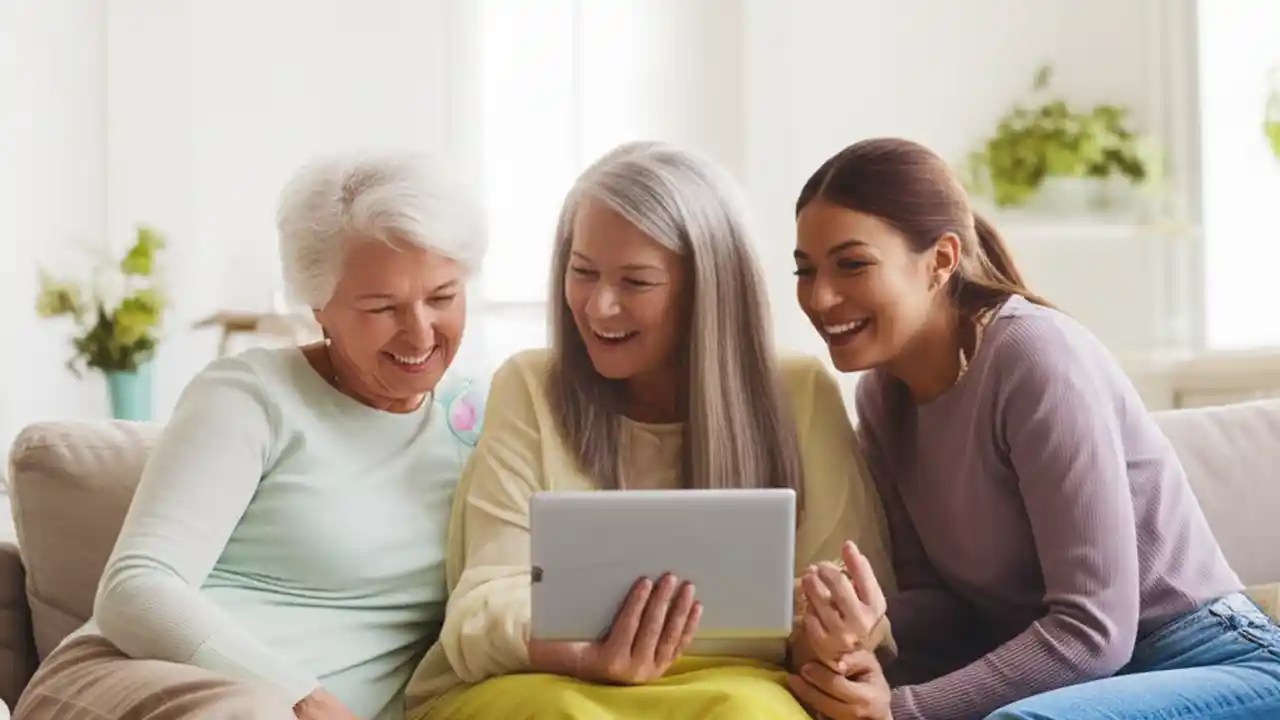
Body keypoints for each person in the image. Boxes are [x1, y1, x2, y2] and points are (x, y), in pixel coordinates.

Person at [783, 137, 1280, 720]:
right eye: (805, 269)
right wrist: (866, 625)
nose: (820, 297)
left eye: (853, 264)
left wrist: (902, 711)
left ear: (941, 260)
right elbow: (947, 607)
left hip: (1210, 660)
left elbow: (1094, 628)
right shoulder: (884, 398)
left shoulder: (1033, 355)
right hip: (1083, 683)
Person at [402, 141, 895, 720]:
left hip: (734, 688)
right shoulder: (530, 384)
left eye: (636, 283)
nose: (599, 307)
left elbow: (838, 603)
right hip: (545, 681)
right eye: (582, 273)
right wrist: (588, 655)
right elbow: (480, 609)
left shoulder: (801, 391)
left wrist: (837, 637)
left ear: (705, 292)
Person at [13, 152, 489, 720]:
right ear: (320, 307)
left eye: (442, 297)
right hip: (140, 680)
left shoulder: (482, 419)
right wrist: (297, 697)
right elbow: (135, 587)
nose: (420, 331)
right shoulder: (251, 396)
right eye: (381, 306)